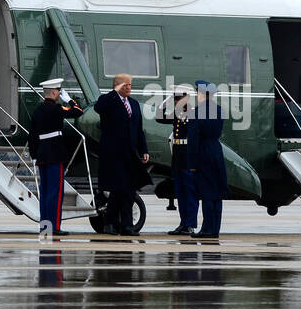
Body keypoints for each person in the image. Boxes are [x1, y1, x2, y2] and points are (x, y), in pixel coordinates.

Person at [92, 73, 149, 235]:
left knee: (129, 190)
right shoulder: (108, 101)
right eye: (125, 85)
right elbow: (98, 107)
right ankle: (110, 224)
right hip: (113, 153)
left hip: (130, 154)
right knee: (117, 188)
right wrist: (113, 92)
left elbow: (139, 130)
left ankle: (126, 225)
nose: (129, 88)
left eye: (130, 85)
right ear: (117, 86)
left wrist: (143, 149)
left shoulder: (134, 104)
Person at [28, 78, 84, 234]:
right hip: (55, 155)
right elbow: (78, 112)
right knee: (55, 192)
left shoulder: (38, 110)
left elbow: (32, 136)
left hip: (41, 156)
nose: (60, 94)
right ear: (53, 92)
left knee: (45, 192)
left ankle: (45, 226)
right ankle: (55, 227)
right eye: (59, 91)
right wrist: (70, 100)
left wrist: (34, 156)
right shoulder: (56, 108)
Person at [156, 84, 198, 235]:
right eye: (175, 99)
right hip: (178, 155)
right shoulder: (176, 113)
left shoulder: (193, 114)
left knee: (189, 191)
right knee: (180, 191)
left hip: (188, 155)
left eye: (179, 98)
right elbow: (159, 117)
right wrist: (167, 97)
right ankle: (183, 223)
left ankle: (190, 224)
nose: (176, 101)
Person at [189, 80, 228, 239]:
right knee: (217, 194)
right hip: (216, 151)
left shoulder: (197, 112)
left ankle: (206, 229)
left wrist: (191, 163)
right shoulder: (219, 110)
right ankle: (215, 228)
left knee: (206, 192)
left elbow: (193, 140)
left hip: (203, 152)